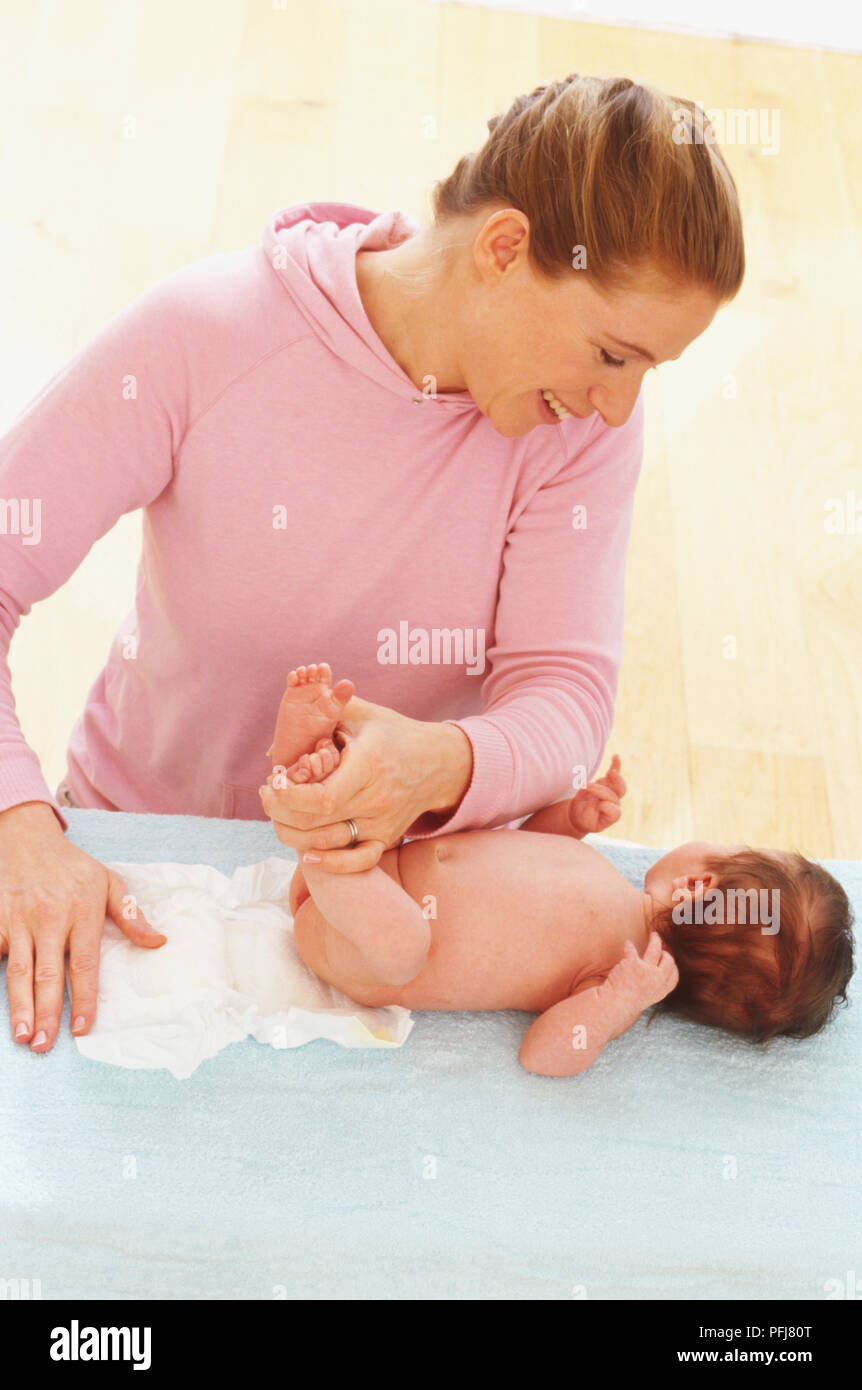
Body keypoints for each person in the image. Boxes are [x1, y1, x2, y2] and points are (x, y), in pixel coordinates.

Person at [0, 73, 744, 1053]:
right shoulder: (206, 334)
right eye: (612, 354)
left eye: (649, 369)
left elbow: (563, 695)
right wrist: (18, 826)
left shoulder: (579, 431)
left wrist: (443, 763)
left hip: (390, 921)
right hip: (145, 860)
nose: (618, 404)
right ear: (505, 247)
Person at [269, 664, 855, 1078]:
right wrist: (570, 821)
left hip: (360, 949)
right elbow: (520, 854)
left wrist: (615, 1005)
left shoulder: (611, 979)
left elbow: (545, 1056)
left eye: (725, 849)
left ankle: (315, 824)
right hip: (381, 867)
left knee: (406, 942)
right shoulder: (602, 876)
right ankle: (314, 781)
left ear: (698, 885)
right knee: (399, 809)